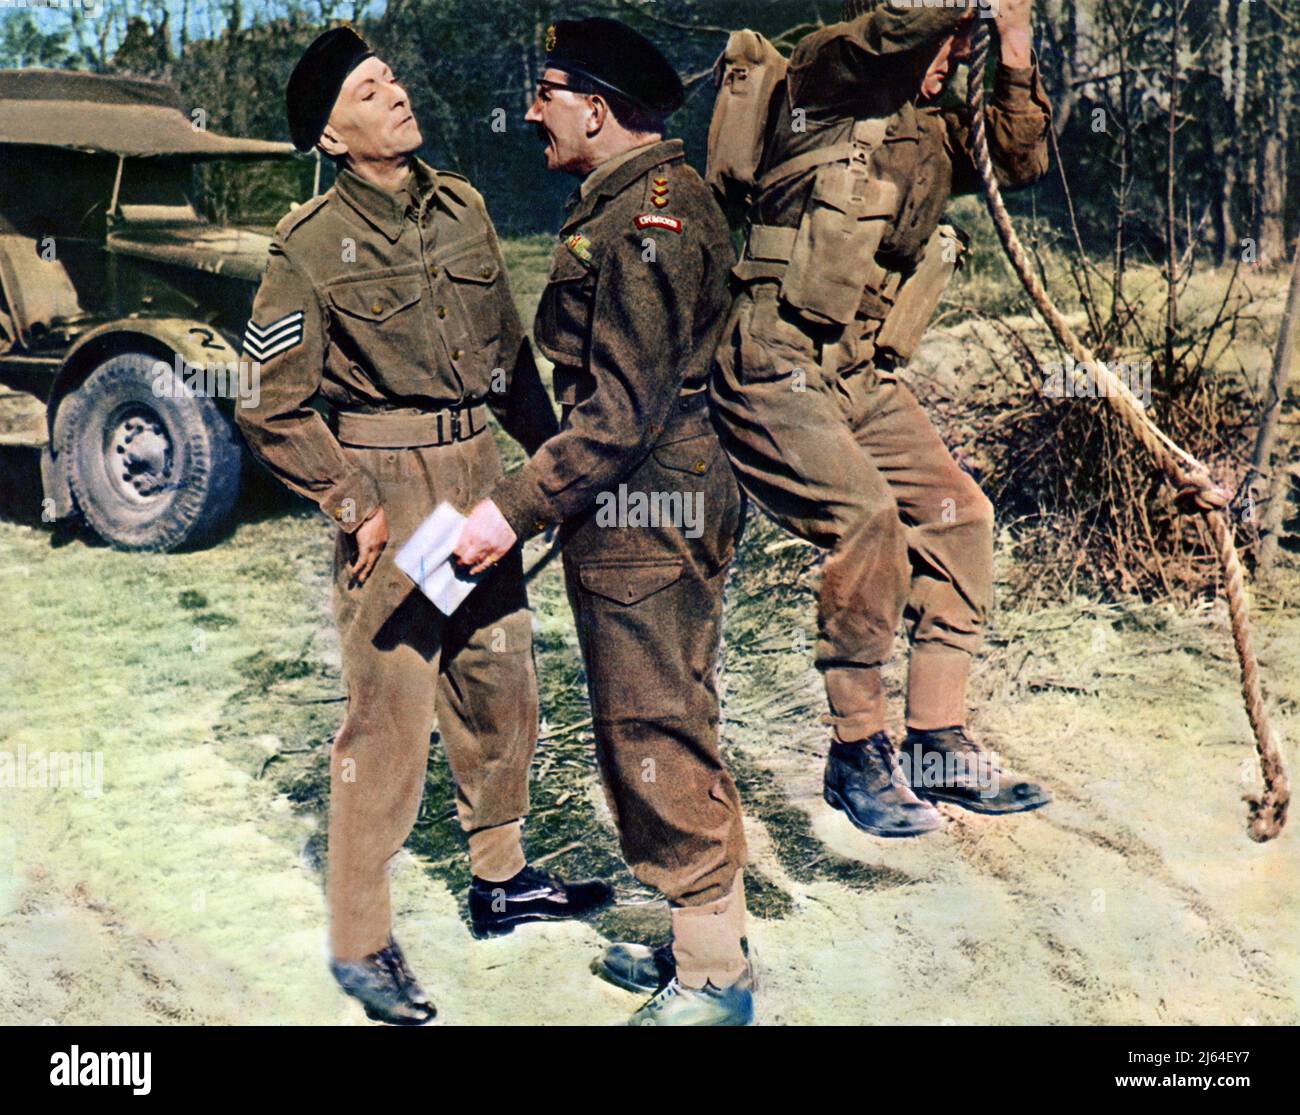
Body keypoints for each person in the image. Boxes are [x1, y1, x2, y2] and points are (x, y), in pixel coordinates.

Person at [237, 25, 612, 1026]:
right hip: (391, 486)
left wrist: (555, 463)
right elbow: (268, 403)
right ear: (330, 132)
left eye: (391, 74)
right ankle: (361, 942)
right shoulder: (307, 247)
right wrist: (351, 502)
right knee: (390, 712)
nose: (395, 91)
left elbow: (504, 358)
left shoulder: (463, 207)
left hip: (476, 471)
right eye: (368, 87)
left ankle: (500, 877)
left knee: (498, 672)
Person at [453, 17, 753, 1026]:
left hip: (644, 501)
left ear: (595, 105)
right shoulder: (634, 204)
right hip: (644, 495)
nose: (533, 110)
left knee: (654, 728)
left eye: (547, 92)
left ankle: (716, 980)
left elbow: (621, 411)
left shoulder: (650, 222)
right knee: (664, 712)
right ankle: (696, 944)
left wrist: (512, 507)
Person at [710, 0, 1054, 839]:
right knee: (866, 522)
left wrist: (1011, 43)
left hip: (861, 372)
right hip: (775, 357)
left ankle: (937, 741)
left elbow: (1018, 156)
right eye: (945, 39)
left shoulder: (930, 135)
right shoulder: (823, 81)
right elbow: (884, 36)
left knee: (961, 517)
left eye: (957, 45)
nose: (947, 55)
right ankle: (856, 749)